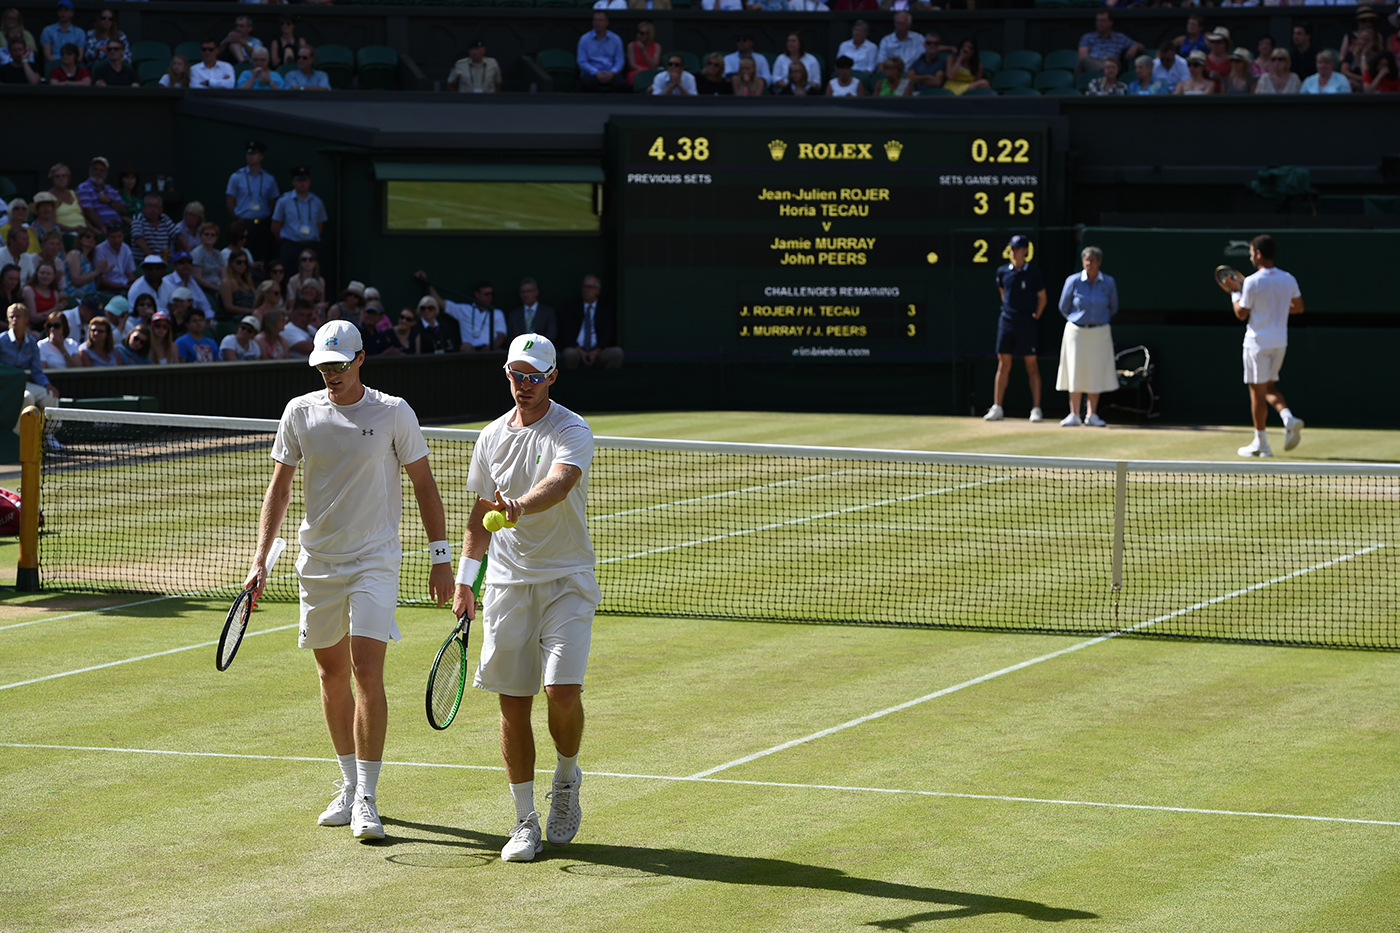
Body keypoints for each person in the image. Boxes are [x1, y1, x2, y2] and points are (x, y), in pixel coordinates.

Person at [244, 319, 454, 843]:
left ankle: (368, 797)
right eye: (322, 366)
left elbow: (424, 484)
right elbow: (280, 488)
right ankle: (347, 781)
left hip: (374, 561)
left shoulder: (393, 412)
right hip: (317, 562)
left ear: (361, 359)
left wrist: (440, 557)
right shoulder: (300, 412)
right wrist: (262, 557)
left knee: (365, 668)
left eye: (338, 365)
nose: (330, 374)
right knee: (330, 673)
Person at [452, 332, 600, 863]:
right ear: (507, 374)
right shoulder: (491, 437)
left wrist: (517, 505)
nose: (524, 385)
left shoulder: (572, 428)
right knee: (513, 706)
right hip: (507, 586)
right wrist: (466, 581)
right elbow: (477, 518)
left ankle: (566, 776)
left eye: (535, 376)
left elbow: (559, 483)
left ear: (553, 378)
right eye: (517, 374)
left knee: (561, 691)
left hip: (567, 581)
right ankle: (523, 821)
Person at [1225, 235, 1304, 458]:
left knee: (1256, 394)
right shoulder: (1288, 278)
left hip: (1257, 344)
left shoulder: (1251, 281)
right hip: (1279, 343)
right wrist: (1275, 307)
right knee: (1268, 387)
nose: (1250, 257)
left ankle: (1262, 444)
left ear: (1258, 254)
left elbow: (1241, 313)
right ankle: (1289, 419)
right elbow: (1298, 307)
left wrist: (1234, 293)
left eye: (1251, 253)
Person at [983, 236, 1046, 424]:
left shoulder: (1034, 274)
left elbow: (1042, 299)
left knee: (1031, 366)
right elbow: (1003, 293)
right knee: (1003, 365)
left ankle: (1036, 409)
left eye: (1017, 248)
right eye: (1012, 248)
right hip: (1007, 321)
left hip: (1026, 322)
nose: (1013, 252)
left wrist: (1034, 316)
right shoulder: (1002, 272)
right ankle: (997, 407)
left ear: (1025, 250)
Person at [1055, 246, 1119, 428]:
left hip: (1099, 332)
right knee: (1075, 370)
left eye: (1092, 260)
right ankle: (1074, 414)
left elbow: (1113, 307)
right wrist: (1078, 320)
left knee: (1095, 371)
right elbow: (1063, 306)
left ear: (1099, 262)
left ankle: (1092, 415)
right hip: (1076, 332)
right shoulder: (1073, 281)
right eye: (1086, 260)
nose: (1089, 264)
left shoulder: (1109, 282)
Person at [1, 301, 60, 431]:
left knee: (50, 395)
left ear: (26, 319)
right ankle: (19, 437)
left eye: (18, 316)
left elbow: (37, 371)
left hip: (21, 383)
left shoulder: (32, 342)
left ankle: (49, 437)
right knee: (27, 398)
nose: (14, 320)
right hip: (5, 385)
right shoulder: (1, 340)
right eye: (11, 317)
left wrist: (46, 384)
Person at [227, 140, 279, 264]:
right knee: (241, 258)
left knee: (262, 258)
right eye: (249, 154)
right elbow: (230, 202)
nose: (251, 156)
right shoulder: (236, 177)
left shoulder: (269, 179)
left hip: (262, 225)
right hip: (243, 223)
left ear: (261, 157)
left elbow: (272, 202)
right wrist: (238, 219)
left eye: (254, 154)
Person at [558, 274, 622, 370]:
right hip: (577, 350)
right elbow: (567, 332)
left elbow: (608, 333)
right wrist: (580, 351)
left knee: (617, 353)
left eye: (590, 287)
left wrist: (596, 351)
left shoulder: (605, 309)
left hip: (598, 352)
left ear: (597, 290)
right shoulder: (572, 307)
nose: (586, 290)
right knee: (569, 354)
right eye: (584, 286)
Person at [271, 166, 327, 274]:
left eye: (304, 180)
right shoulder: (284, 201)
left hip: (311, 246)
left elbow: (320, 225)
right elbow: (275, 226)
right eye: (299, 180)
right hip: (291, 246)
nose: (302, 183)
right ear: (293, 182)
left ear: (309, 181)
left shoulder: (317, 202)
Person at [1078, 10, 1142, 75]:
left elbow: (1142, 47)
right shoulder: (1088, 37)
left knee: (1111, 63)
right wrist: (1100, 64)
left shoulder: (1120, 37)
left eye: (1102, 21)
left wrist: (1135, 47)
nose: (1099, 23)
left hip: (1112, 65)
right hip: (1092, 66)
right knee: (1084, 58)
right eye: (1098, 20)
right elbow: (1082, 57)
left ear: (1110, 22)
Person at [577, 12, 624, 93]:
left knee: (622, 84)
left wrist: (612, 72)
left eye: (600, 20)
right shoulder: (584, 39)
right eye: (595, 20)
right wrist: (596, 73)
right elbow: (582, 61)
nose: (597, 23)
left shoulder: (616, 39)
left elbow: (620, 60)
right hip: (592, 72)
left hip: (610, 71)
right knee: (586, 83)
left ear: (607, 22)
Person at [78, 157, 124, 233]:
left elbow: (123, 210)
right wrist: (103, 228)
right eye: (95, 169)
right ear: (90, 170)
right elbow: (88, 212)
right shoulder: (84, 188)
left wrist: (109, 201)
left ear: (106, 174)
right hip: (101, 229)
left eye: (101, 170)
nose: (98, 172)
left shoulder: (110, 189)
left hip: (119, 227)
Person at [130, 193, 179, 263]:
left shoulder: (165, 219)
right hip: (144, 263)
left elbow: (178, 236)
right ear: (144, 207)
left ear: (161, 209)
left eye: (155, 206)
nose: (152, 209)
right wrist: (155, 260)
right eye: (149, 206)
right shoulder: (138, 218)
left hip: (165, 262)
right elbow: (139, 240)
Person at [508, 278, 557, 343]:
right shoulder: (514, 315)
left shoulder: (548, 312)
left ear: (536, 292)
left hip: (543, 349)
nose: (525, 295)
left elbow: (552, 335)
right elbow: (511, 338)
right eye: (523, 292)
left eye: (528, 291)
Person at [22, 260, 64, 329]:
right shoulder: (29, 290)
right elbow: (33, 318)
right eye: (42, 273)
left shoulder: (55, 292)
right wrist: (55, 309)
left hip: (51, 327)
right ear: (37, 274)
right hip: (34, 328)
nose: (45, 276)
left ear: (53, 276)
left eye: (48, 274)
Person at [63, 228, 104, 300]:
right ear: (80, 239)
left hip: (91, 295)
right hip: (75, 295)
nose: (91, 239)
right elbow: (76, 280)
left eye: (94, 238)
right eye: (88, 236)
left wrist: (101, 272)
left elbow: (94, 285)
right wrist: (97, 271)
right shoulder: (74, 254)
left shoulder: (89, 259)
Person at [95, 221, 134, 293]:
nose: (116, 240)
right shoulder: (100, 250)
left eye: (119, 236)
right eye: (113, 237)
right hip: (108, 289)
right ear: (107, 237)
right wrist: (123, 287)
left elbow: (130, 274)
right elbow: (102, 281)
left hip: (125, 286)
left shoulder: (126, 248)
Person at [46, 164, 86, 233]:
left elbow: (83, 216)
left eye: (64, 175)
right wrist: (71, 229)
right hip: (65, 234)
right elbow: (51, 222)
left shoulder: (74, 193)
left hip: (83, 232)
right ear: (52, 179)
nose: (61, 178)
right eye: (57, 176)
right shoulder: (48, 197)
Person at [41, 0, 84, 65]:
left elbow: (79, 57)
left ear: (71, 13)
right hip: (54, 66)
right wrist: (61, 64)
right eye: (60, 10)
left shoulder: (80, 33)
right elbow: (47, 56)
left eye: (66, 10)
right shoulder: (48, 31)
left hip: (73, 66)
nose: (62, 13)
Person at [624, 22, 659, 87]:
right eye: (638, 32)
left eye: (642, 33)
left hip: (651, 72)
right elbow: (632, 65)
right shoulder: (631, 45)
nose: (639, 35)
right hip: (637, 71)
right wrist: (644, 70)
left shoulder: (656, 46)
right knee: (639, 77)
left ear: (649, 34)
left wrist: (644, 52)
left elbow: (654, 65)